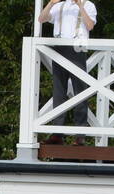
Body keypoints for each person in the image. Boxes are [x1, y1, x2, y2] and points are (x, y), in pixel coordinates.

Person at [39, 0, 97, 137]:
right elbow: (41, 19)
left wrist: (80, 6)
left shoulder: (88, 5)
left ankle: (80, 134)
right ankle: (57, 133)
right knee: (59, 91)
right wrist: (51, 3)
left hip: (77, 48)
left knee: (80, 91)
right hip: (59, 49)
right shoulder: (60, 5)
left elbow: (90, 26)